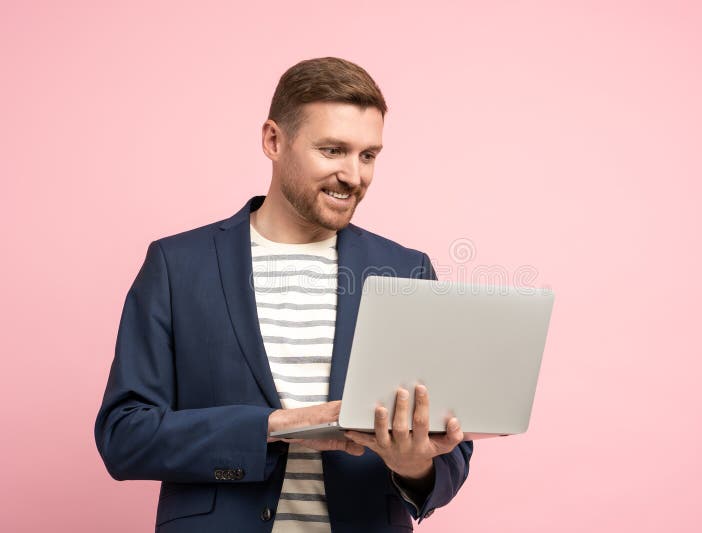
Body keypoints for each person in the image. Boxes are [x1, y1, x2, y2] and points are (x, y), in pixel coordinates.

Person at [94, 56, 473, 532]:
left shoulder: (406, 270)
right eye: (332, 150)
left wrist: (413, 464)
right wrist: (275, 426)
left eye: (368, 155)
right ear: (273, 140)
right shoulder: (177, 265)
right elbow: (124, 435)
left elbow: (451, 454)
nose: (353, 176)